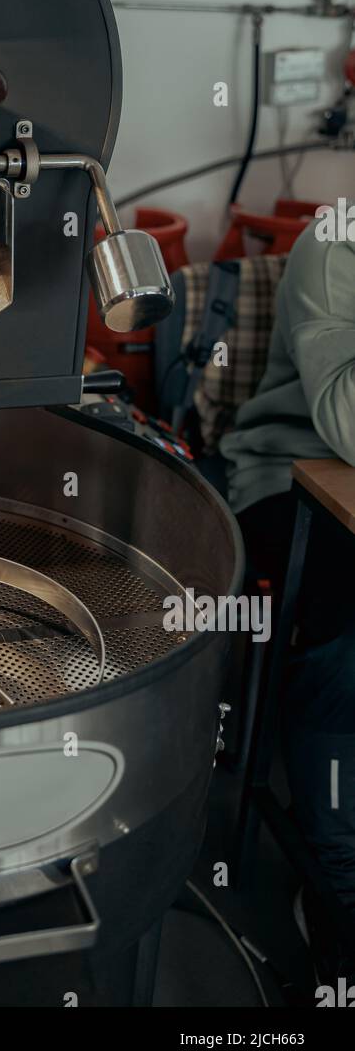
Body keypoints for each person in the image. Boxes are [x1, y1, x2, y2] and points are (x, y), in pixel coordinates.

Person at [220, 220, 355, 982]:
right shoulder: (338, 242)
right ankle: (338, 883)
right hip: (290, 481)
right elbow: (344, 420)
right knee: (346, 638)